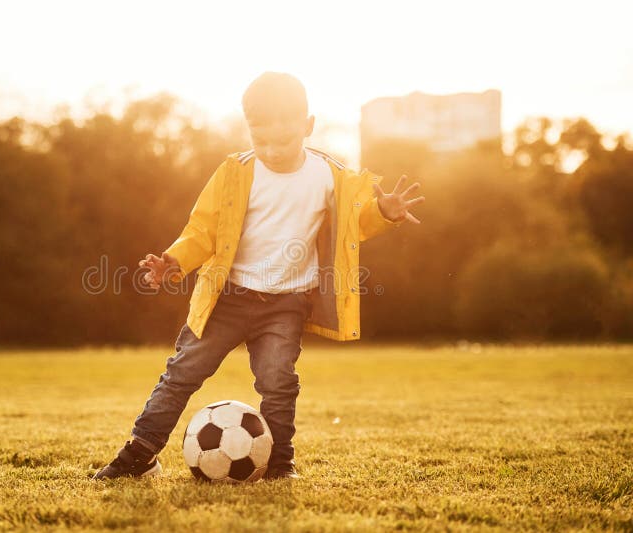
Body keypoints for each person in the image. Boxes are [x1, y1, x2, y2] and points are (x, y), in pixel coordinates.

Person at [93, 72, 425, 480]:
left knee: (278, 382)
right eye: (259, 139)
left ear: (308, 126)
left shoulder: (330, 176)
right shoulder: (235, 172)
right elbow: (203, 229)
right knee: (181, 374)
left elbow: (349, 226)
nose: (270, 150)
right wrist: (175, 261)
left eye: (282, 141)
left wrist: (382, 214)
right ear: (248, 129)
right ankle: (139, 455)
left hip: (286, 303)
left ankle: (280, 465)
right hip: (227, 297)